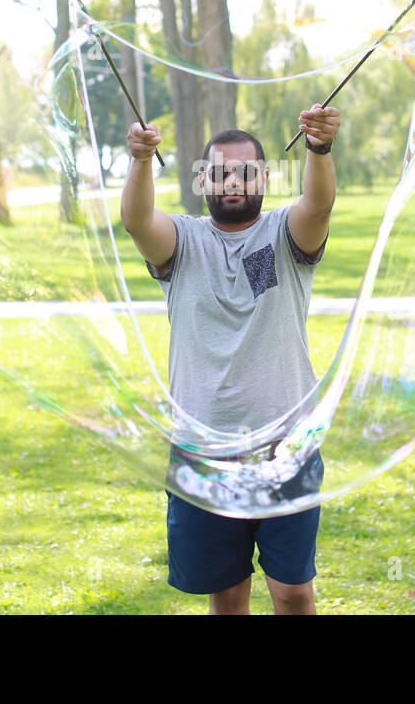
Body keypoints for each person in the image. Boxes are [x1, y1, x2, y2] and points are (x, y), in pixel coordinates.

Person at [121, 104, 340, 615]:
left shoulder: (287, 234)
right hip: (204, 448)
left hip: (286, 447)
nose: (233, 181)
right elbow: (136, 221)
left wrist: (320, 148)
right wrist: (139, 160)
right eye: (220, 172)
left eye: (245, 171)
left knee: (291, 590)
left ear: (264, 176)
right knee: (228, 589)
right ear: (203, 181)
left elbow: (320, 205)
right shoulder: (182, 240)